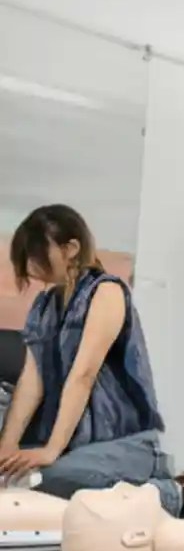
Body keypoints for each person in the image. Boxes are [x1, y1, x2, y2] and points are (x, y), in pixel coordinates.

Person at [0, 204, 170, 496]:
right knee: (14, 474)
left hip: (121, 444)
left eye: (37, 253)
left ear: (71, 248)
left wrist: (51, 450)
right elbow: (31, 381)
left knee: (42, 479)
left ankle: (167, 489)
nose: (30, 265)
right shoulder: (46, 305)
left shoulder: (107, 291)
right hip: (70, 443)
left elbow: (84, 373)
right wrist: (7, 446)